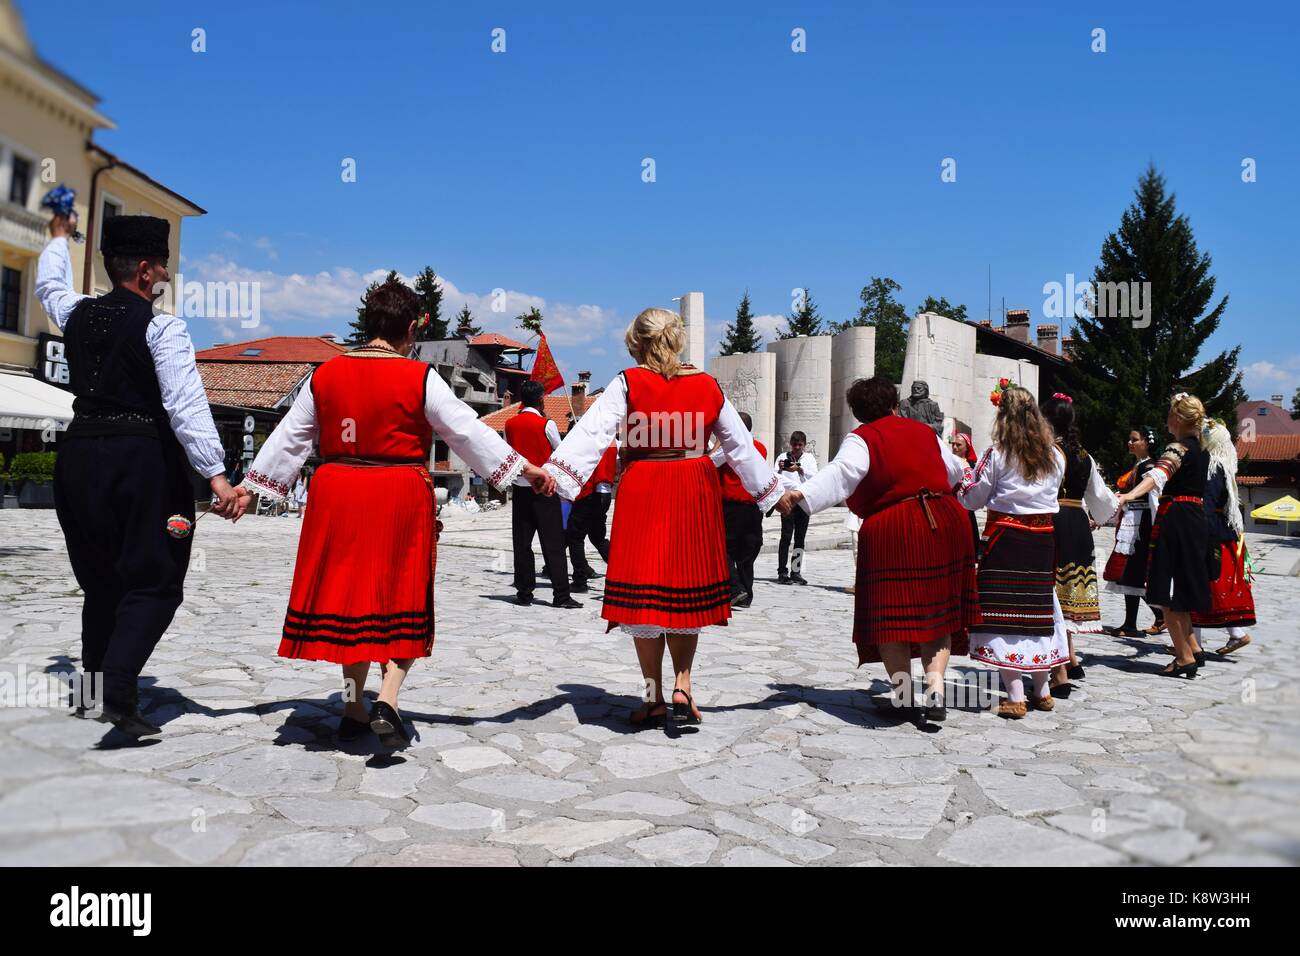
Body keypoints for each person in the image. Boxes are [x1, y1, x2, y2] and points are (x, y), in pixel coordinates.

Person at [236, 280, 553, 747]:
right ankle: (388, 696)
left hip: (338, 493)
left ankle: (351, 706)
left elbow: (290, 437)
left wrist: (249, 488)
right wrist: (526, 469)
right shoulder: (419, 376)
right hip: (397, 492)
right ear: (411, 328)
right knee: (401, 594)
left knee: (351, 600)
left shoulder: (325, 375)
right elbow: (467, 433)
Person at [35, 215, 239, 738]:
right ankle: (119, 694)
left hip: (78, 456)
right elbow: (185, 406)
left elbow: (49, 286)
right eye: (163, 263)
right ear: (146, 271)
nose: (168, 270)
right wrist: (216, 476)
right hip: (141, 460)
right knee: (155, 581)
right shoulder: (162, 327)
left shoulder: (76, 313)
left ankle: (91, 685)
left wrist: (58, 240)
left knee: (100, 581)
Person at [544, 308, 781, 727]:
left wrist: (557, 475)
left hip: (644, 485)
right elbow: (741, 446)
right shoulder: (708, 386)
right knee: (684, 586)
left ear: (636, 342)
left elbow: (593, 432)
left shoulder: (628, 382)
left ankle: (653, 695)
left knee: (644, 594)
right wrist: (772, 493)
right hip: (693, 484)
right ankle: (683, 684)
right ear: (679, 340)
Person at [777, 377, 977, 723]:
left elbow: (841, 474)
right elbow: (955, 470)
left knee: (890, 617)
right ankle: (936, 688)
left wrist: (800, 494)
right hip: (944, 521)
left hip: (896, 528)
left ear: (857, 413)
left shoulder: (863, 438)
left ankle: (902, 696)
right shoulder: (924, 433)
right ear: (894, 404)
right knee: (938, 611)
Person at [957, 385, 1067, 719]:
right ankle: (1043, 691)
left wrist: (962, 476)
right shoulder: (1056, 455)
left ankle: (1016, 696)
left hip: (1006, 537)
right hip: (1044, 538)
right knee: (1037, 611)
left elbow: (973, 498)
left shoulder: (999, 452)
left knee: (1002, 614)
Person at [1116, 393, 1212, 677]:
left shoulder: (1178, 447)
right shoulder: (1202, 450)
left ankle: (1183, 657)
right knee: (1180, 586)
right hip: (1195, 518)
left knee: (1166, 589)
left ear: (1179, 419)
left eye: (1170, 414)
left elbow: (1158, 475)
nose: (1167, 419)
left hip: (1177, 519)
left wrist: (1128, 495)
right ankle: (1193, 648)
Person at [1041, 393, 1118, 694]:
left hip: (1054, 519)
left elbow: (1041, 490)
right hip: (1077, 521)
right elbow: (1101, 499)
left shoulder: (1050, 451)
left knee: (1054, 594)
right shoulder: (1085, 455)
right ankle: (1072, 659)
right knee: (1067, 593)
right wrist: (1104, 512)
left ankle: (1059, 666)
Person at [505, 380, 579, 608]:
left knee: (522, 543)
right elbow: (560, 452)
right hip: (544, 490)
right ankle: (561, 596)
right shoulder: (546, 424)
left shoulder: (509, 424)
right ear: (540, 400)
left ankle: (524, 592)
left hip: (520, 489)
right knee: (553, 544)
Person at [1190, 419, 1255, 656]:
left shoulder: (1211, 467)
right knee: (1214, 587)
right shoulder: (1225, 466)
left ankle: (1199, 641)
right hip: (1224, 533)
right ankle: (1224, 635)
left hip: (1211, 534)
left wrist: (1197, 531)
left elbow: (1205, 504)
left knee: (1203, 585)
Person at [1103, 426, 1166, 638]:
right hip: (1133, 522)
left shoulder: (1150, 467)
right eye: (1130, 439)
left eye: (1134, 439)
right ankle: (1141, 619)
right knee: (1129, 573)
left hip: (1141, 525)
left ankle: (1157, 615)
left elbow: (1149, 496)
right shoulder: (1140, 466)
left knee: (1134, 573)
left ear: (1146, 443)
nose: (1130, 443)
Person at [711, 411, 767, 607]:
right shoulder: (760, 447)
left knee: (723, 549)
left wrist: (718, 445)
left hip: (731, 506)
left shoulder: (730, 448)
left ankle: (736, 589)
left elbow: (709, 464)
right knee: (747, 552)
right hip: (752, 507)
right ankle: (745, 594)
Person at [566, 439, 617, 592]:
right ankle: (620, 572)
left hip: (590, 491)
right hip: (605, 492)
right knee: (598, 537)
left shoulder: (590, 437)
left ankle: (580, 581)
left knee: (575, 537)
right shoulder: (611, 439)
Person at [776, 431, 817, 584]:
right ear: (791, 444)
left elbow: (815, 477)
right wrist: (782, 469)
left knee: (800, 538)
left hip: (803, 501)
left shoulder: (809, 459)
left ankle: (796, 571)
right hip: (788, 501)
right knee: (785, 537)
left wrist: (800, 469)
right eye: (794, 444)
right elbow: (776, 477)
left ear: (804, 445)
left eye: (800, 445)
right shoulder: (782, 457)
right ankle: (782, 572)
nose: (797, 448)